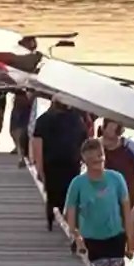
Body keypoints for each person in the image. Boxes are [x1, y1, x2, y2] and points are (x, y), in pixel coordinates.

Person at [63, 138, 132, 266]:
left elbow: (126, 211)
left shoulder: (116, 179)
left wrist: (131, 241)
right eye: (93, 159)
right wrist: (76, 237)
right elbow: (70, 216)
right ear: (85, 161)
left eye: (100, 156)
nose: (98, 161)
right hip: (91, 240)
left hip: (115, 237)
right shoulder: (77, 183)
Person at [32, 96, 88, 233]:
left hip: (54, 164)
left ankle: (57, 222)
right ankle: (70, 227)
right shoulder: (76, 119)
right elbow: (83, 141)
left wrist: (39, 168)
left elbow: (37, 145)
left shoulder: (43, 120)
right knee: (69, 197)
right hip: (69, 163)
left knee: (53, 195)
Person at [101, 119, 134, 206]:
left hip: (129, 199)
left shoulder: (133, 148)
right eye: (108, 130)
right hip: (103, 199)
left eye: (115, 131)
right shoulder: (96, 147)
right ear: (103, 129)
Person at [7, 37, 38, 166]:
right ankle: (20, 150)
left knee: (21, 128)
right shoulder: (21, 59)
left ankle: (23, 153)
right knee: (15, 129)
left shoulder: (34, 60)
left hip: (27, 99)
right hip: (20, 97)